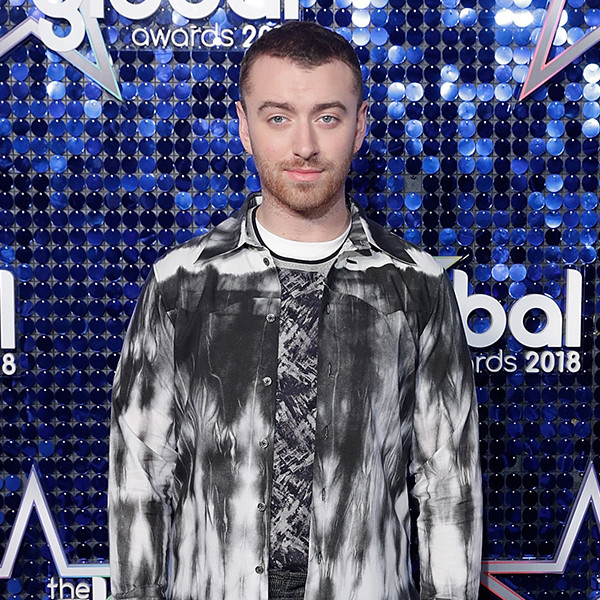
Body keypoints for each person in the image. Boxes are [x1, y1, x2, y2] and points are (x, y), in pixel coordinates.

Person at [108, 20, 482, 600]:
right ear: (244, 126)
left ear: (360, 126)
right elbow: (141, 480)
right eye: (278, 117)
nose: (304, 145)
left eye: (327, 117)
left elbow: (447, 488)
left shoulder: (419, 286)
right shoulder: (179, 284)